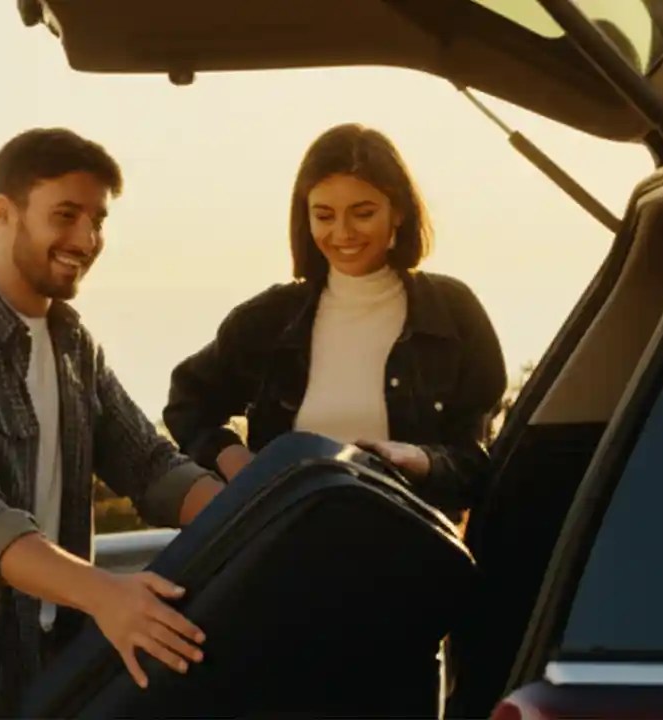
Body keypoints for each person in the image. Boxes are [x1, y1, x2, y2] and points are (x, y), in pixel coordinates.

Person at [0, 127, 226, 719]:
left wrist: (260, 517)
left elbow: (151, 465)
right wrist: (109, 597)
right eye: (65, 214)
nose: (86, 238)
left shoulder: (71, 342)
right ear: (4, 213)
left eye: (97, 219)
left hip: (52, 657)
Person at [164, 121, 507, 520]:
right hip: (287, 550)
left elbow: (475, 467)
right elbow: (188, 401)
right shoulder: (267, 320)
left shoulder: (453, 312)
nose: (342, 233)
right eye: (324, 215)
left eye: (362, 213)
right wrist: (238, 460)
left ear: (397, 211)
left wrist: (420, 460)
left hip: (411, 553)